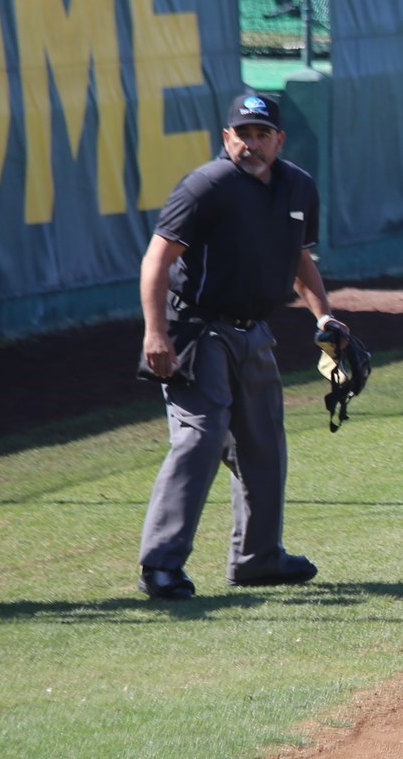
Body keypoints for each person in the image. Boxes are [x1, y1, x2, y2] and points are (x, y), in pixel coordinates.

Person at [135, 92, 350, 601]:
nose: (251, 143)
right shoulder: (206, 186)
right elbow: (157, 260)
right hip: (196, 329)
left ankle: (258, 559)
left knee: (263, 445)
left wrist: (324, 313)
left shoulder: (297, 186)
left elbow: (298, 258)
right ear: (226, 138)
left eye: (261, 134)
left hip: (254, 331)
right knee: (201, 438)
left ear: (279, 140)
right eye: (242, 134)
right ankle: (160, 565)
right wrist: (154, 333)